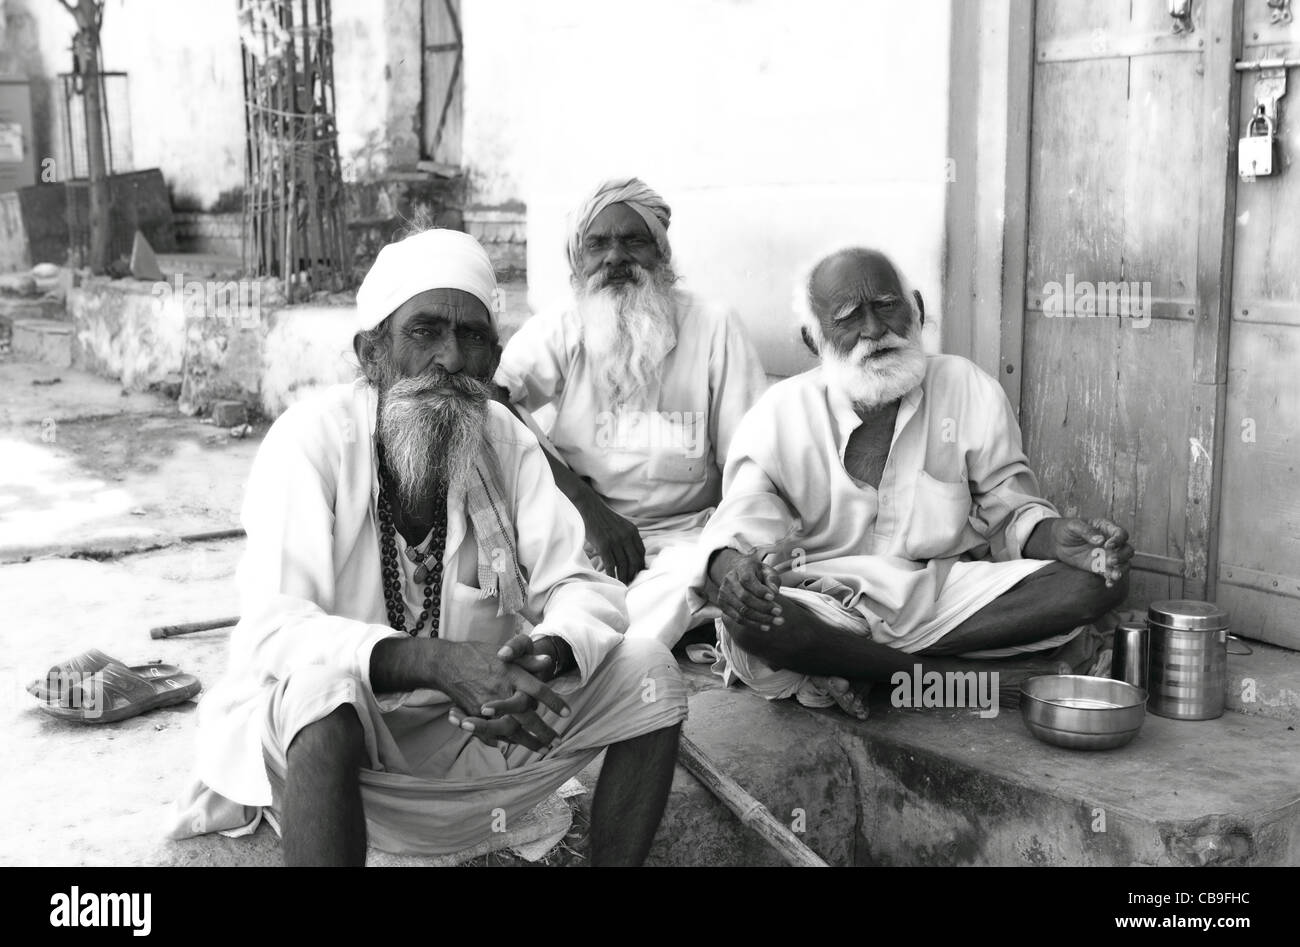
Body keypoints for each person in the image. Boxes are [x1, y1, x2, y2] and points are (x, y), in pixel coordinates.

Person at [171, 229, 686, 866]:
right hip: (346, 760)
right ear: (371, 354)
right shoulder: (310, 441)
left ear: (494, 359)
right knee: (321, 696)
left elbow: (579, 586)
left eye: (472, 336)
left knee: (651, 672)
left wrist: (544, 654)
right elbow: (273, 631)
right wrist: (433, 662)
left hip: (476, 738)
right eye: (425, 332)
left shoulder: (503, 439)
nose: (450, 357)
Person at [693, 247, 1132, 715]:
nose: (874, 330)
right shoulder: (780, 414)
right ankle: (948, 682)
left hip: (943, 596)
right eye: (848, 317)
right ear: (813, 338)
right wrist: (737, 575)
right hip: (826, 604)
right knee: (756, 622)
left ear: (917, 310)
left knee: (1101, 582)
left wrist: (1056, 537)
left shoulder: (966, 388)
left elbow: (1012, 514)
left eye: (886, 306)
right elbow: (737, 525)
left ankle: (861, 670)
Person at [495, 177, 768, 648]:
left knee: (691, 576)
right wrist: (589, 510)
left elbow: (751, 465)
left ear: (661, 253)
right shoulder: (564, 324)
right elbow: (490, 395)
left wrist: (727, 547)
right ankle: (611, 635)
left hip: (682, 537)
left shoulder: (714, 326)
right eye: (597, 244)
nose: (615, 257)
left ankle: (580, 646)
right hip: (580, 528)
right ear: (579, 262)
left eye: (633, 241)